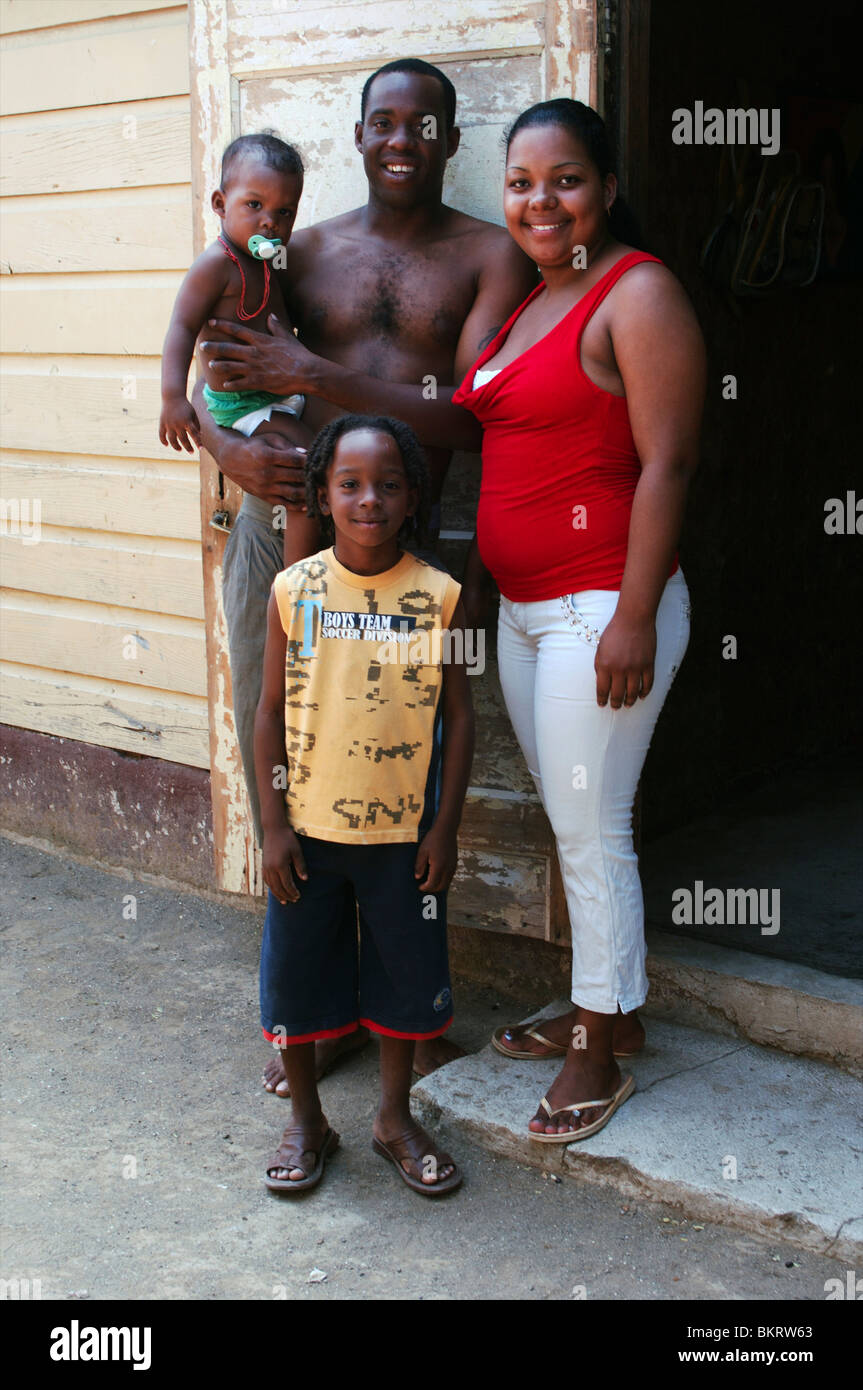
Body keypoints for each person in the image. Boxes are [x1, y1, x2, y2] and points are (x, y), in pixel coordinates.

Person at [195, 58, 536, 1087]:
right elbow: (212, 361)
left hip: (410, 547)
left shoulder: (488, 258)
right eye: (383, 124)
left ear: (448, 139)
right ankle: (309, 1014)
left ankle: (401, 1005)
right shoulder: (294, 249)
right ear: (355, 135)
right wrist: (229, 455)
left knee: (407, 757)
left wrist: (315, 376)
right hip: (284, 530)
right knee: (289, 744)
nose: (401, 141)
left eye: (423, 126)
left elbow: (472, 418)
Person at [453, 99, 706, 1142]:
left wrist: (633, 615)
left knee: (590, 827)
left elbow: (668, 461)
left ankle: (596, 1054)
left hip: (600, 605)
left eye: (563, 179)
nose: (538, 199)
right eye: (519, 182)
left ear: (603, 187)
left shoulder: (633, 291)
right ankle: (608, 1006)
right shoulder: (532, 299)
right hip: (524, 615)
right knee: (577, 825)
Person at [255, 415, 474, 1193]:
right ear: (323, 494)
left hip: (400, 836)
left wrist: (443, 827)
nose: (368, 499)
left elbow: (457, 718)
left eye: (387, 484)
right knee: (294, 981)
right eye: (348, 484)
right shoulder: (296, 589)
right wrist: (273, 825)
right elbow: (268, 712)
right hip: (308, 834)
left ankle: (392, 1117)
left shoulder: (437, 595)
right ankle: (307, 1122)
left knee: (404, 981)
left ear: (411, 498)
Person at [159, 132, 319, 569]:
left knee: (322, 461)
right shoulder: (216, 264)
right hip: (243, 402)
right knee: (309, 465)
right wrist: (173, 397)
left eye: (284, 212)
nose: (270, 221)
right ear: (219, 203)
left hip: (276, 395)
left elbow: (279, 322)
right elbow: (180, 328)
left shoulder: (266, 262)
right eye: (255, 206)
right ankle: (298, 581)